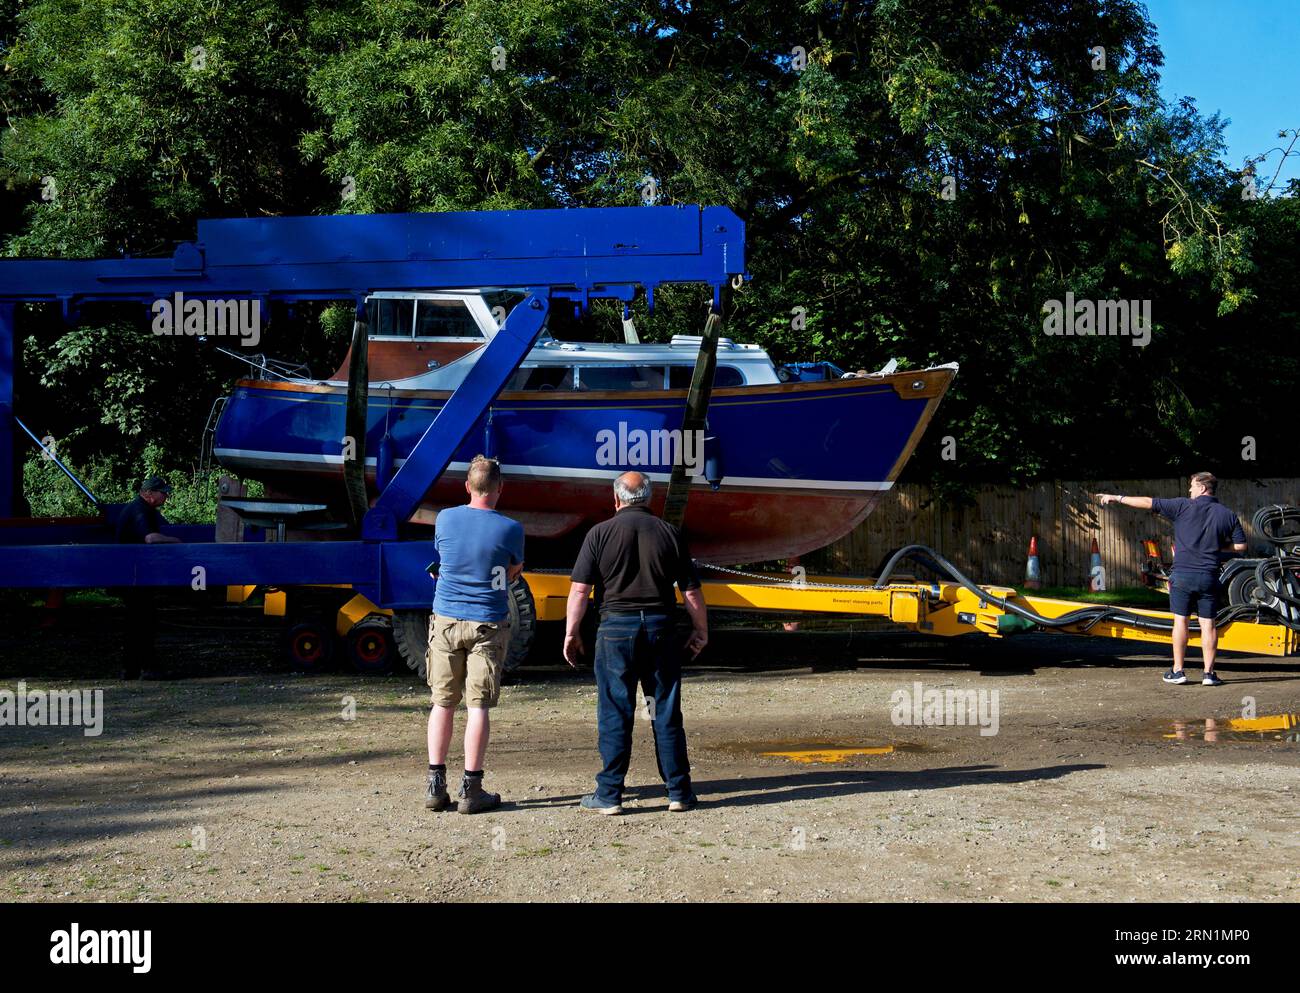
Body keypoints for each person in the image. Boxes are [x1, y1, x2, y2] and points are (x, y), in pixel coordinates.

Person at [563, 470, 708, 815]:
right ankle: (678, 791)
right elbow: (690, 591)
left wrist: (571, 632)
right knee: (663, 709)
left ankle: (610, 794)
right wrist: (700, 629)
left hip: (615, 632)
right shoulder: (669, 533)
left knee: (616, 708)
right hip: (660, 631)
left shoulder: (599, 534)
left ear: (615, 500)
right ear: (649, 498)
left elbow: (580, 590)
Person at [424, 455, 524, 815]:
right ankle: (472, 788)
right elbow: (513, 571)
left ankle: (436, 786)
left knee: (442, 702)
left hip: (446, 622)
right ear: (499, 488)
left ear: (467, 486)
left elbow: (442, 560)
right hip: (487, 624)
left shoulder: (445, 518)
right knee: (478, 706)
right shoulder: (511, 528)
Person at [1097, 472, 1246, 686]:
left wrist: (1117, 498)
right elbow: (1241, 546)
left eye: (1192, 486)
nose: (1189, 490)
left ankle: (1178, 671)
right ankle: (1209, 674)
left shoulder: (1182, 506)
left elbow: (1148, 502)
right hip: (1209, 576)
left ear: (1203, 488)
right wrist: (1216, 550)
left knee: (1181, 622)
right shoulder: (1227, 514)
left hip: (1183, 577)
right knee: (1209, 625)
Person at [114, 475, 181, 680]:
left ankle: (131, 668)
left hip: (132, 575)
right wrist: (175, 541)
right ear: (149, 493)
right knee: (144, 622)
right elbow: (151, 539)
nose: (166, 496)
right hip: (135, 577)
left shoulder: (139, 508)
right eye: (163, 493)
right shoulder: (140, 511)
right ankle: (148, 668)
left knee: (135, 623)